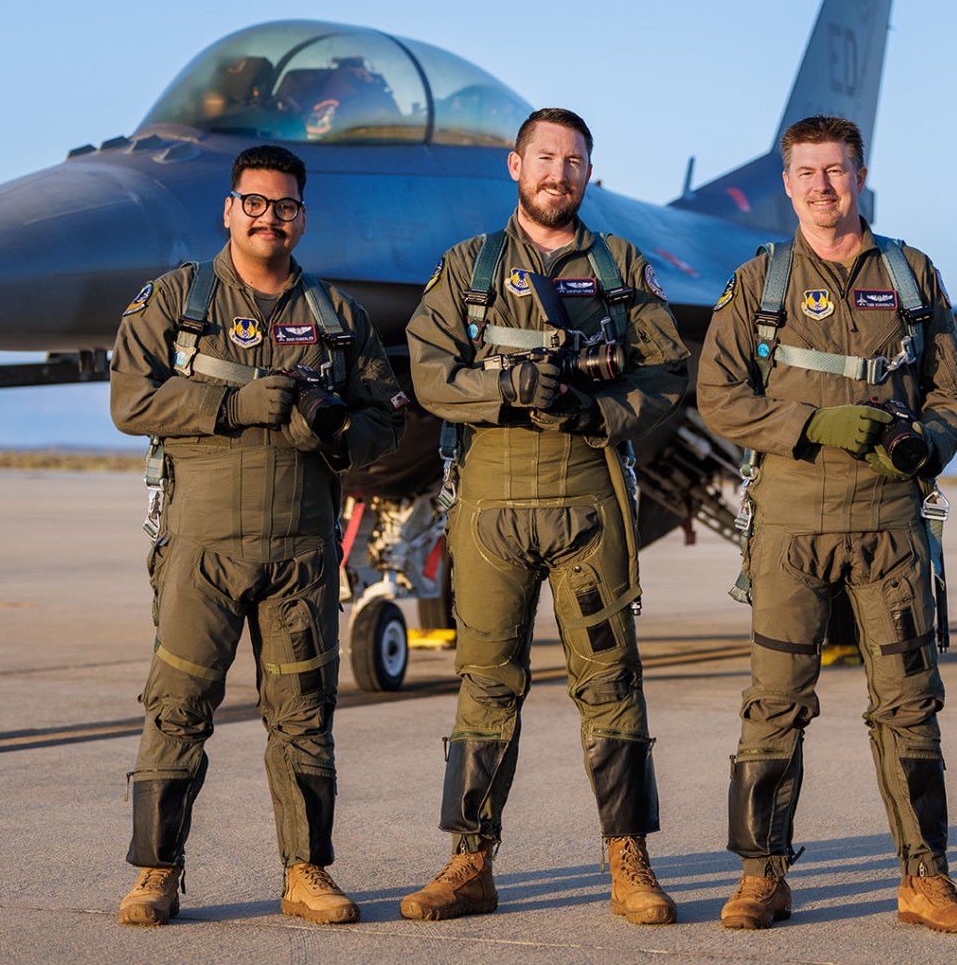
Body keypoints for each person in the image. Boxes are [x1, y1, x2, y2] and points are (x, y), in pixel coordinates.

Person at [401, 108, 690, 925]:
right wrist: (504, 389)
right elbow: (429, 373)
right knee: (484, 684)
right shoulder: (468, 268)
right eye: (546, 158)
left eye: (574, 161)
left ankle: (629, 859)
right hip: (491, 501)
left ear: (588, 175)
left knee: (610, 681)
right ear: (515, 165)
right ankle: (470, 861)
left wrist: (604, 413)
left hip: (588, 492)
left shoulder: (623, 266)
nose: (559, 173)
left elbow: (669, 370)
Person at [109, 144, 407, 927]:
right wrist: (236, 407)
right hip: (201, 549)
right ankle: (155, 873)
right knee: (176, 707)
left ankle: (306, 872)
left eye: (284, 207)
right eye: (255, 203)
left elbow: (384, 417)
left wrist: (336, 439)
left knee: (305, 713)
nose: (269, 218)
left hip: (301, 553)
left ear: (301, 216)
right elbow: (132, 401)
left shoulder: (338, 318)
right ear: (229, 208)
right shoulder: (175, 301)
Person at [697, 115, 957, 933]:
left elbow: (953, 391)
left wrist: (927, 442)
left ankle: (925, 878)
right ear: (787, 184)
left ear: (860, 175)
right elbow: (719, 393)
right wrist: (808, 428)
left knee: (909, 703)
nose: (823, 187)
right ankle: (761, 877)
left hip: (889, 523)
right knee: (775, 702)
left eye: (837, 171)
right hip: (790, 522)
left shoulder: (911, 274)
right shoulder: (762, 283)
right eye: (808, 173)